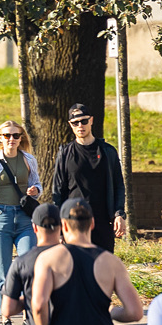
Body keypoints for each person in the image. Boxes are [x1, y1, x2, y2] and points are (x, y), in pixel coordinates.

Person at [0, 120, 42, 324]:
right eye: (7, 136)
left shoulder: (28, 159)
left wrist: (35, 191)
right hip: (0, 217)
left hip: (24, 219)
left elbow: (37, 184)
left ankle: (26, 316)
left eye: (15, 135)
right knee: (3, 271)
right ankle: (5, 318)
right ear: (0, 139)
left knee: (28, 269)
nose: (11, 139)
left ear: (21, 138)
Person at [49, 101, 128, 252]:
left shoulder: (107, 151)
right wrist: (59, 228)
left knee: (103, 268)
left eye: (84, 121)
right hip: (74, 220)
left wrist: (119, 214)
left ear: (91, 120)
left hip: (102, 221)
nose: (80, 125)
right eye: (75, 123)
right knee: (77, 269)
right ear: (70, 125)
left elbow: (119, 185)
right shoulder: (65, 153)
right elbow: (58, 191)